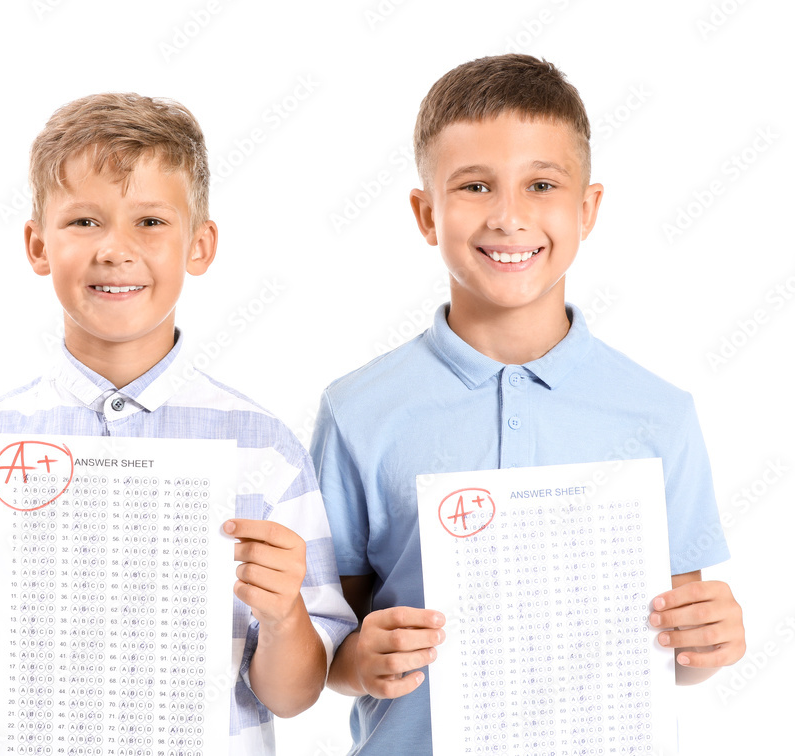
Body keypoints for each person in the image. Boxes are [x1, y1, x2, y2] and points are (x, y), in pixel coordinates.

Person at [309, 54, 745, 754]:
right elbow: (325, 646)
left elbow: (675, 647)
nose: (509, 216)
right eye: (475, 185)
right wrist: (360, 660)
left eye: (541, 185)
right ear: (427, 214)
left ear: (587, 209)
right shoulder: (357, 410)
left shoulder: (659, 414)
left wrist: (709, 644)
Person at [0, 92, 355, 755]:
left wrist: (285, 614)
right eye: (84, 221)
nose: (116, 250)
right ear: (38, 245)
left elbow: (293, 696)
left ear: (199, 245)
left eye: (150, 221)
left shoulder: (267, 449)